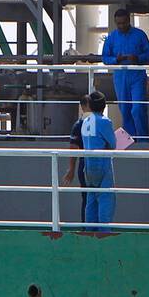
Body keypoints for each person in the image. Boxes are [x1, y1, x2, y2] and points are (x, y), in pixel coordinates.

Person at [101, 8, 149, 138]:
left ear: (129, 20)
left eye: (124, 23)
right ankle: (130, 138)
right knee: (124, 109)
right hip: (120, 76)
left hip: (137, 75)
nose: (122, 26)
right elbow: (105, 58)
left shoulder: (139, 35)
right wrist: (115, 60)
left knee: (137, 108)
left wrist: (138, 58)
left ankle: (142, 138)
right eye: (119, 24)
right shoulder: (112, 37)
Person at [80, 91, 118, 226]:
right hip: (102, 165)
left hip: (88, 166)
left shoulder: (85, 121)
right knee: (106, 200)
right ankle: (104, 233)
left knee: (91, 201)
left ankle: (90, 232)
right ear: (104, 106)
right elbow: (113, 144)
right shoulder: (105, 121)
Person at [62, 94, 91, 223]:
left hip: (93, 164)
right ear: (83, 106)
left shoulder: (97, 122)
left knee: (95, 197)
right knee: (87, 197)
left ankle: (95, 227)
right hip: (85, 164)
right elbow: (73, 148)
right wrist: (72, 169)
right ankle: (87, 228)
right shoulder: (78, 125)